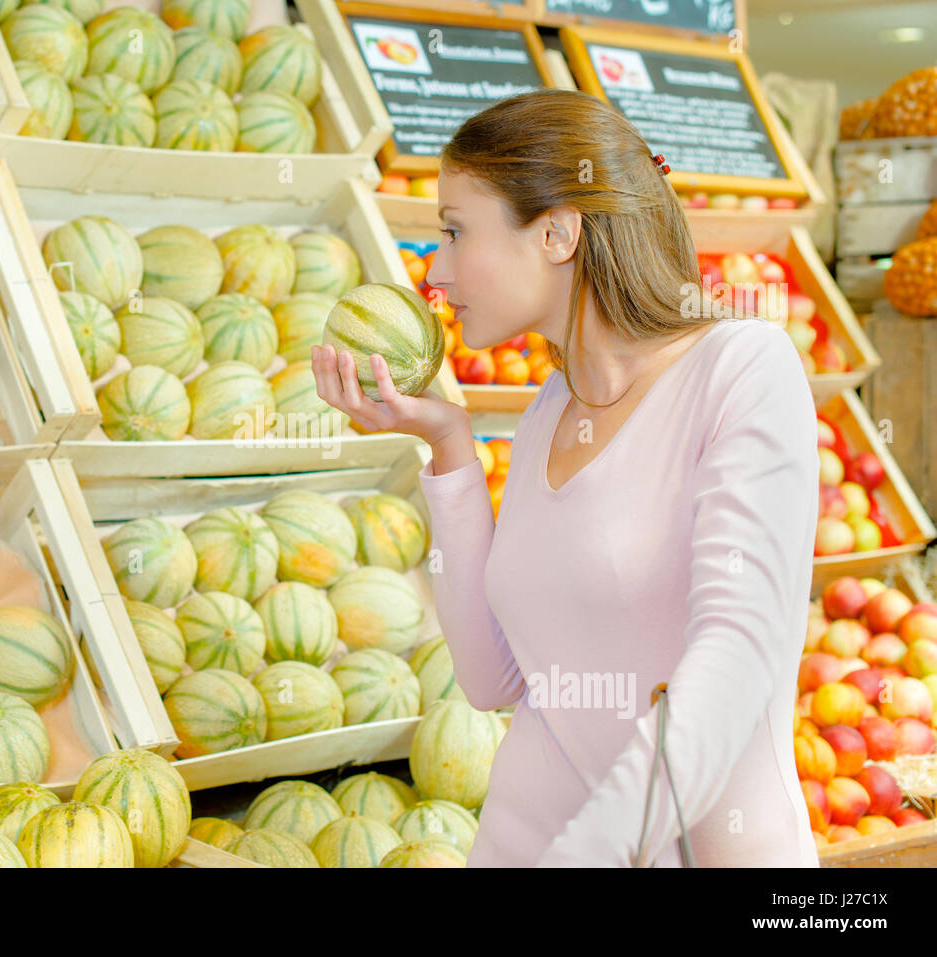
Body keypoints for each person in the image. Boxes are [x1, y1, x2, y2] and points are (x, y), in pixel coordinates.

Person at [310, 89, 820, 867]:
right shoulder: (552, 409)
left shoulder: (743, 368)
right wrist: (446, 444)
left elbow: (736, 658)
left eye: (454, 232)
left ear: (556, 232)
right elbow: (493, 678)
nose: (435, 272)